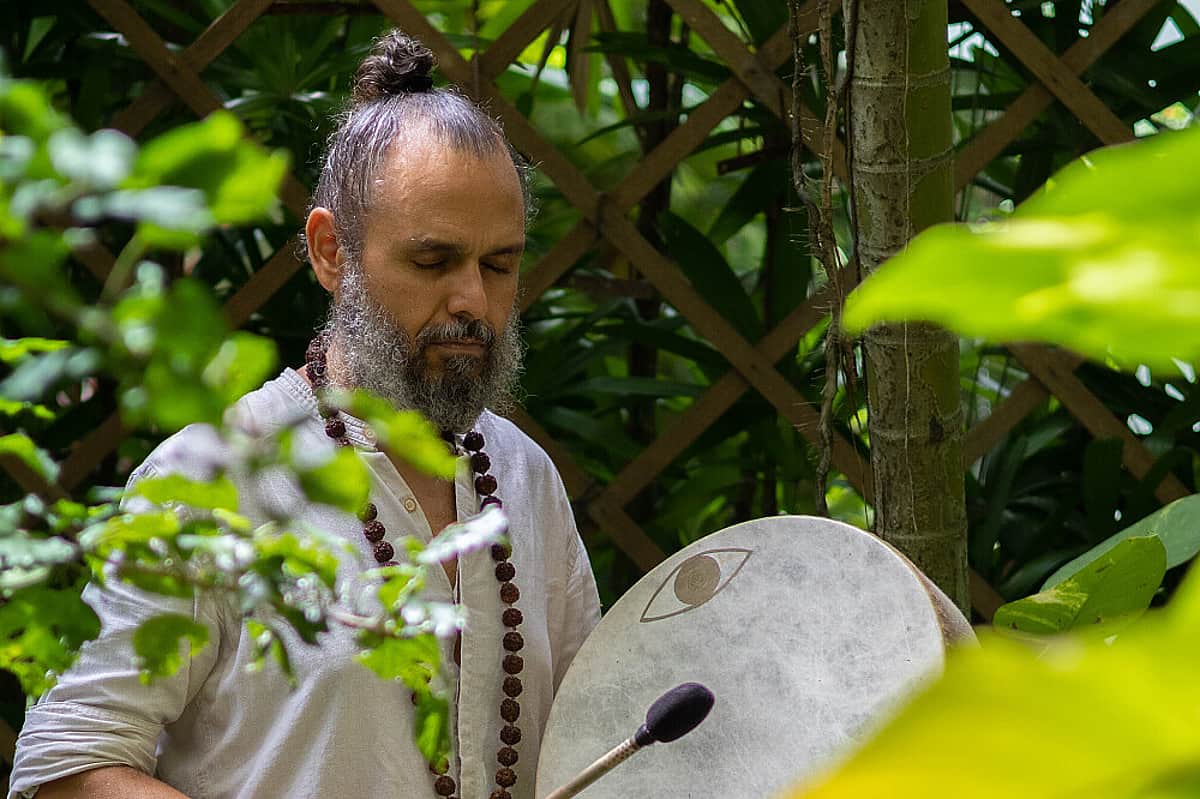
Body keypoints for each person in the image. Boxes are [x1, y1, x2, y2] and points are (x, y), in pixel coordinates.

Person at [9, 29, 601, 799]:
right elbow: (67, 764)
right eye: (433, 261)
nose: (473, 301)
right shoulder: (209, 477)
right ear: (331, 252)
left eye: (500, 264)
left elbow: (596, 735)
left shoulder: (526, 476)